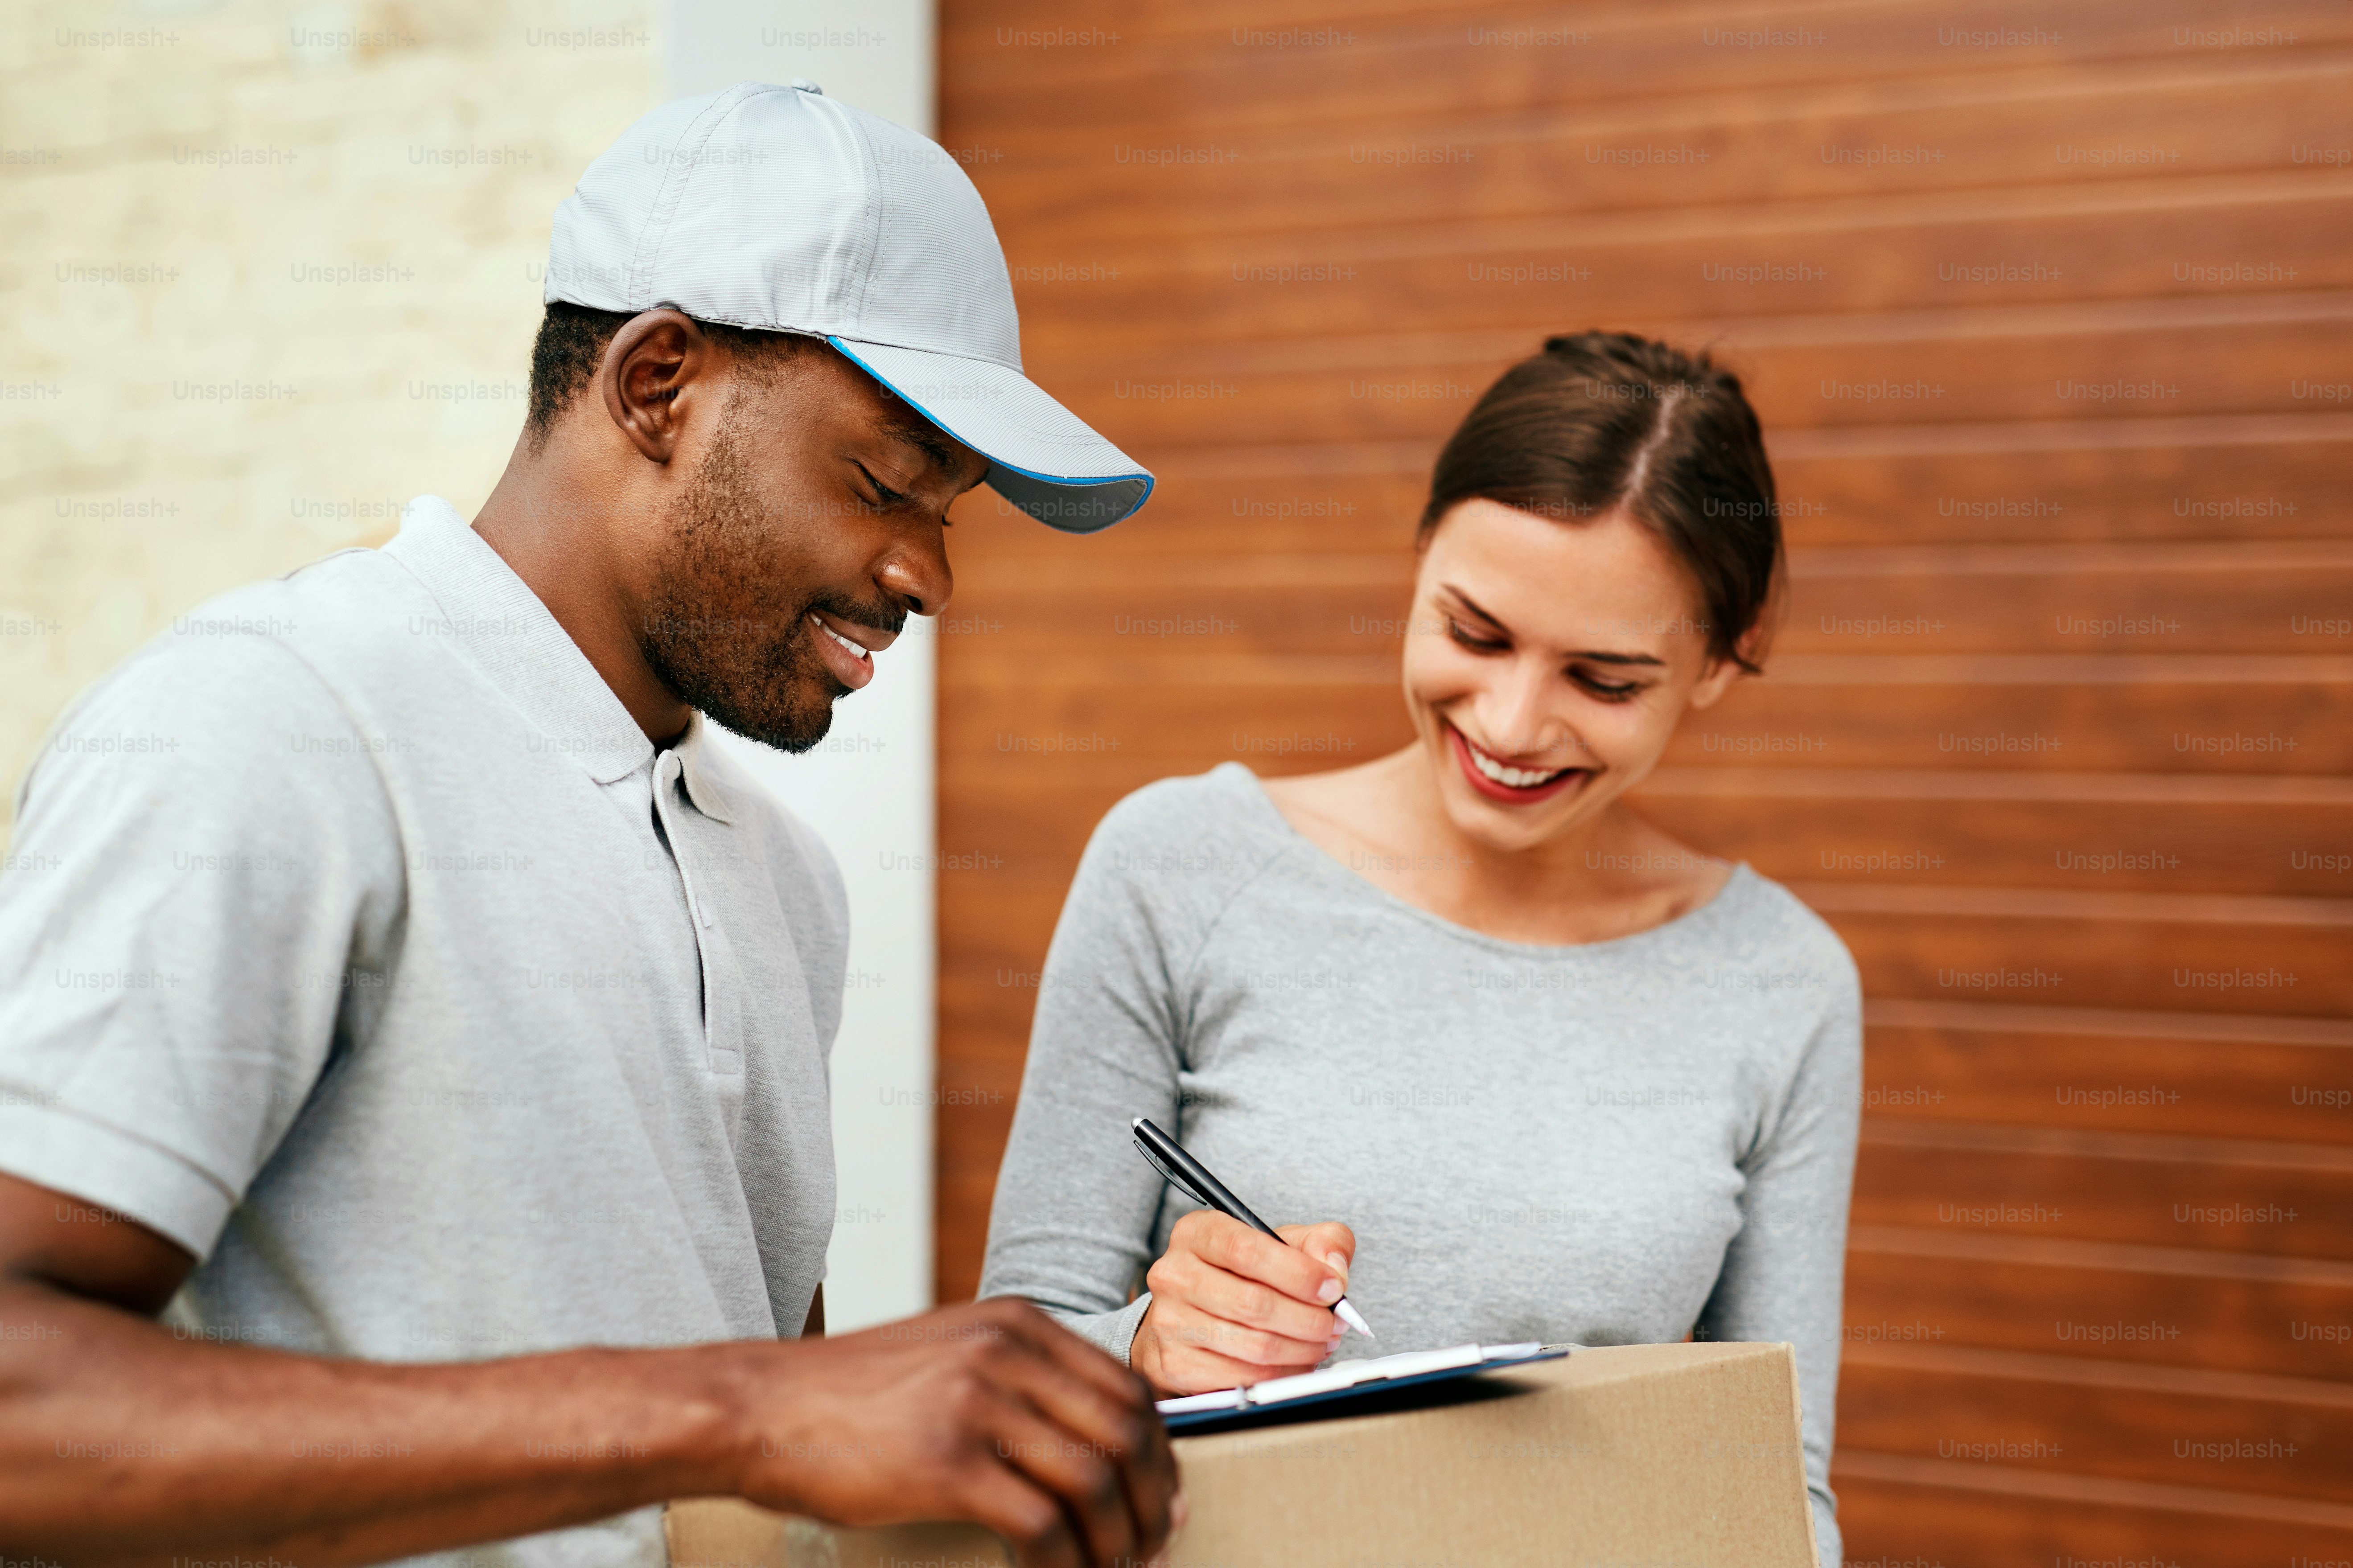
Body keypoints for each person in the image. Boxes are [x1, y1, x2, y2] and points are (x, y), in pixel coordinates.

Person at [0, 82, 1177, 1568]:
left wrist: (1091, 1385)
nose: (930, 575)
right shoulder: (277, 727)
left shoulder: (786, 880)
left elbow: (778, 1465)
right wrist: (745, 1406)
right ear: (657, 384)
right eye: (884, 483)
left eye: (951, 512)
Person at [979, 332, 1860, 1567]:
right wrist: (1146, 1339)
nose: (1511, 725)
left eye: (1604, 681)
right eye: (1475, 632)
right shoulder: (1178, 868)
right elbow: (1007, 1371)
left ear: (1721, 657)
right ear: (1422, 553)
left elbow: (1773, 1481)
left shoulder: (1783, 982)